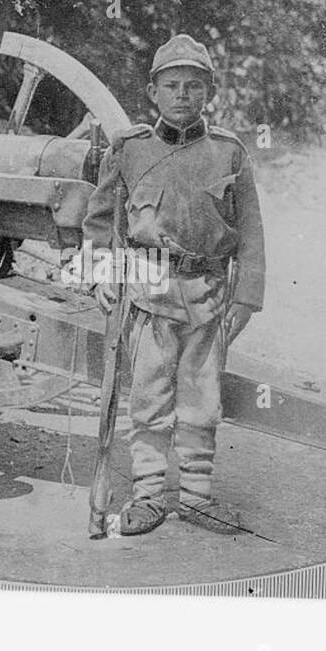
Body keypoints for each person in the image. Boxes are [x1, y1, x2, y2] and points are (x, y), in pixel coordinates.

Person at [82, 34, 266, 535]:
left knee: (202, 400)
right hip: (147, 292)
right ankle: (146, 496)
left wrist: (247, 298)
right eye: (172, 85)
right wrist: (101, 274)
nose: (183, 94)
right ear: (153, 92)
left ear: (209, 92)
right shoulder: (130, 149)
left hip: (209, 294)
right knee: (150, 396)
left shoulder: (229, 153)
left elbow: (250, 231)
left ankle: (198, 497)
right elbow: (100, 221)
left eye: (193, 85)